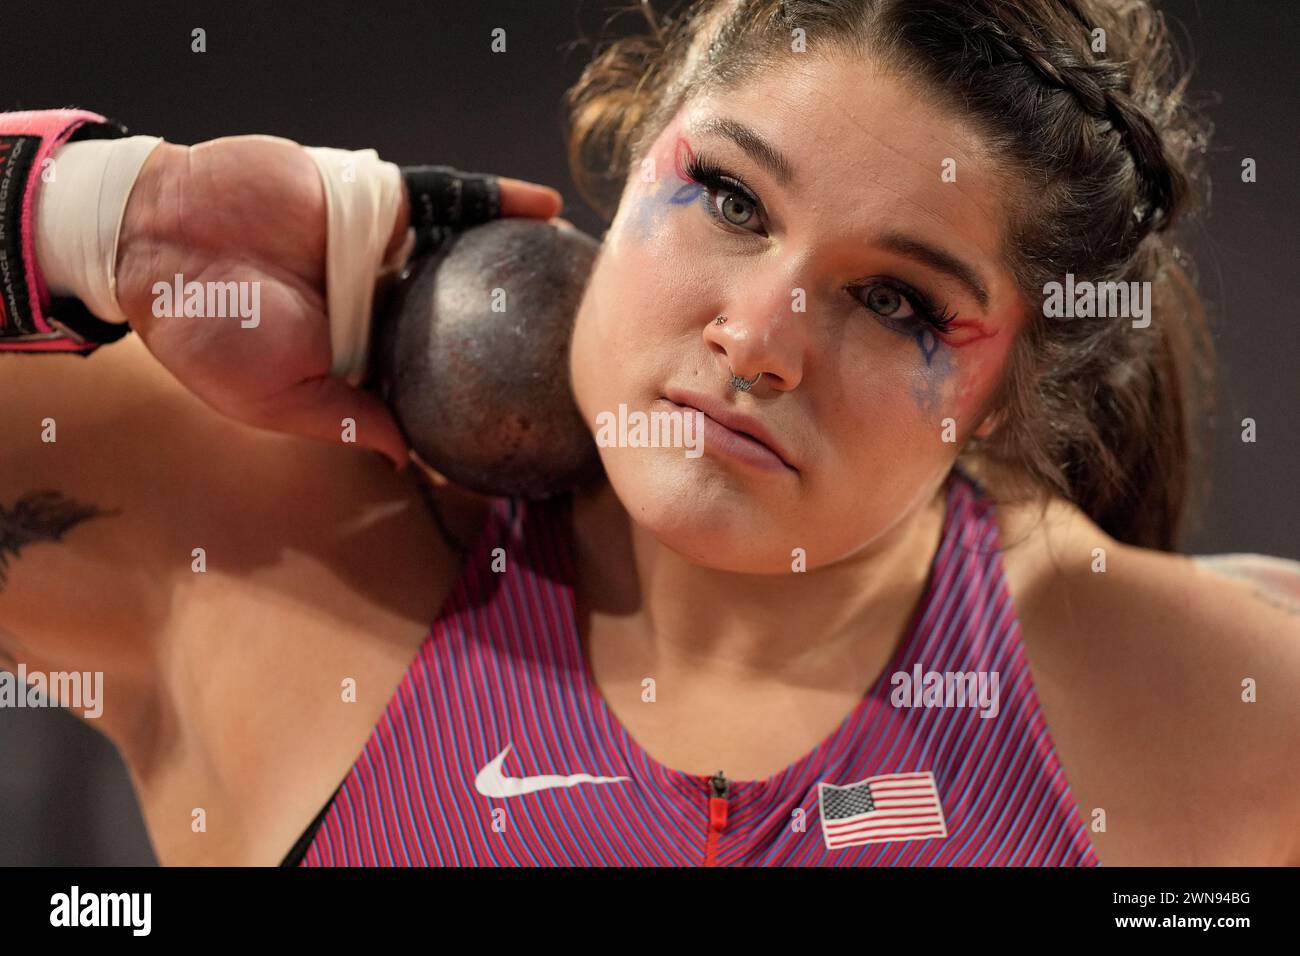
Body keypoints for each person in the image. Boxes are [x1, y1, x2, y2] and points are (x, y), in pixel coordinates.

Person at [2, 0, 1298, 867]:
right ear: (626, 166)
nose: (758, 339)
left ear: (1011, 385)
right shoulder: (278, 533)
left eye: (896, 299)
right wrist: (112, 217)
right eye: (729, 198)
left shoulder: (1212, 711)